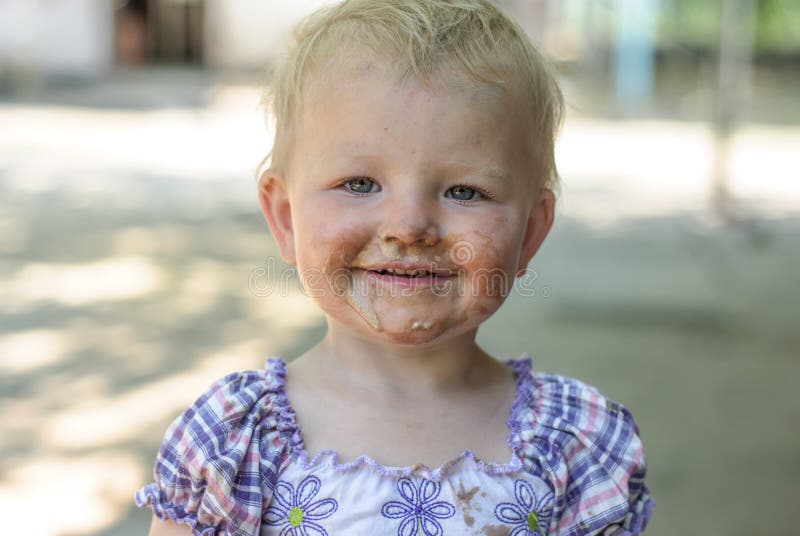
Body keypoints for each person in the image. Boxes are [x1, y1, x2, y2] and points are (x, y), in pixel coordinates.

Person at [136, 0, 654, 534]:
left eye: (465, 191)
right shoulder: (232, 443)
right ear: (286, 217)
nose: (409, 226)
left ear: (530, 233)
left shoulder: (576, 445)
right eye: (360, 184)